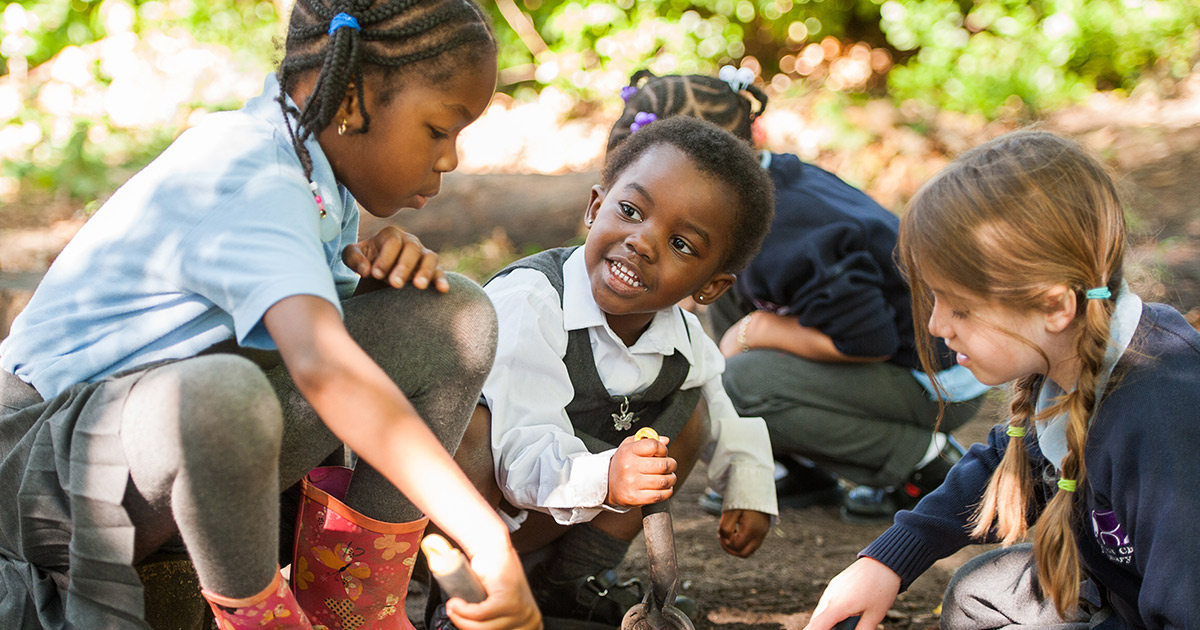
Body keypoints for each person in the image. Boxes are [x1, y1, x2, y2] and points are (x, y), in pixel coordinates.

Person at [0, 2, 541, 629]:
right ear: (351, 100)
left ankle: (353, 607)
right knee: (225, 396)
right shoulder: (250, 172)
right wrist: (485, 538)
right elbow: (324, 370)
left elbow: (316, 347)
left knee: (454, 314)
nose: (450, 158)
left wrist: (374, 288)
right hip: (37, 460)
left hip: (160, 455)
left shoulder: (316, 176)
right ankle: (262, 619)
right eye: (439, 129)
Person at [804, 130, 1200, 630]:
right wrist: (886, 561)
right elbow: (1009, 463)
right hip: (1117, 596)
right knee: (980, 595)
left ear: (1054, 305)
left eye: (961, 308)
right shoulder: (1072, 355)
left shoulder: (1169, 411)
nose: (936, 326)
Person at [610, 68, 990, 524]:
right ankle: (797, 468)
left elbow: (868, 340)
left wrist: (759, 330)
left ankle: (922, 462)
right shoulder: (765, 185)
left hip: (939, 374)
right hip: (894, 346)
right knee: (721, 297)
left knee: (735, 385)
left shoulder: (789, 236)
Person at [451, 116, 779, 626]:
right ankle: (462, 602)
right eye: (630, 211)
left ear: (711, 286)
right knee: (476, 426)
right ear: (595, 206)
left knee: (686, 416)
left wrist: (749, 489)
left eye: (682, 245)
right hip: (465, 518)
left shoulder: (681, 337)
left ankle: (569, 580)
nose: (643, 243)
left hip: (548, 519)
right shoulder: (532, 302)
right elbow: (517, 456)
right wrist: (608, 476)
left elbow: (723, 408)